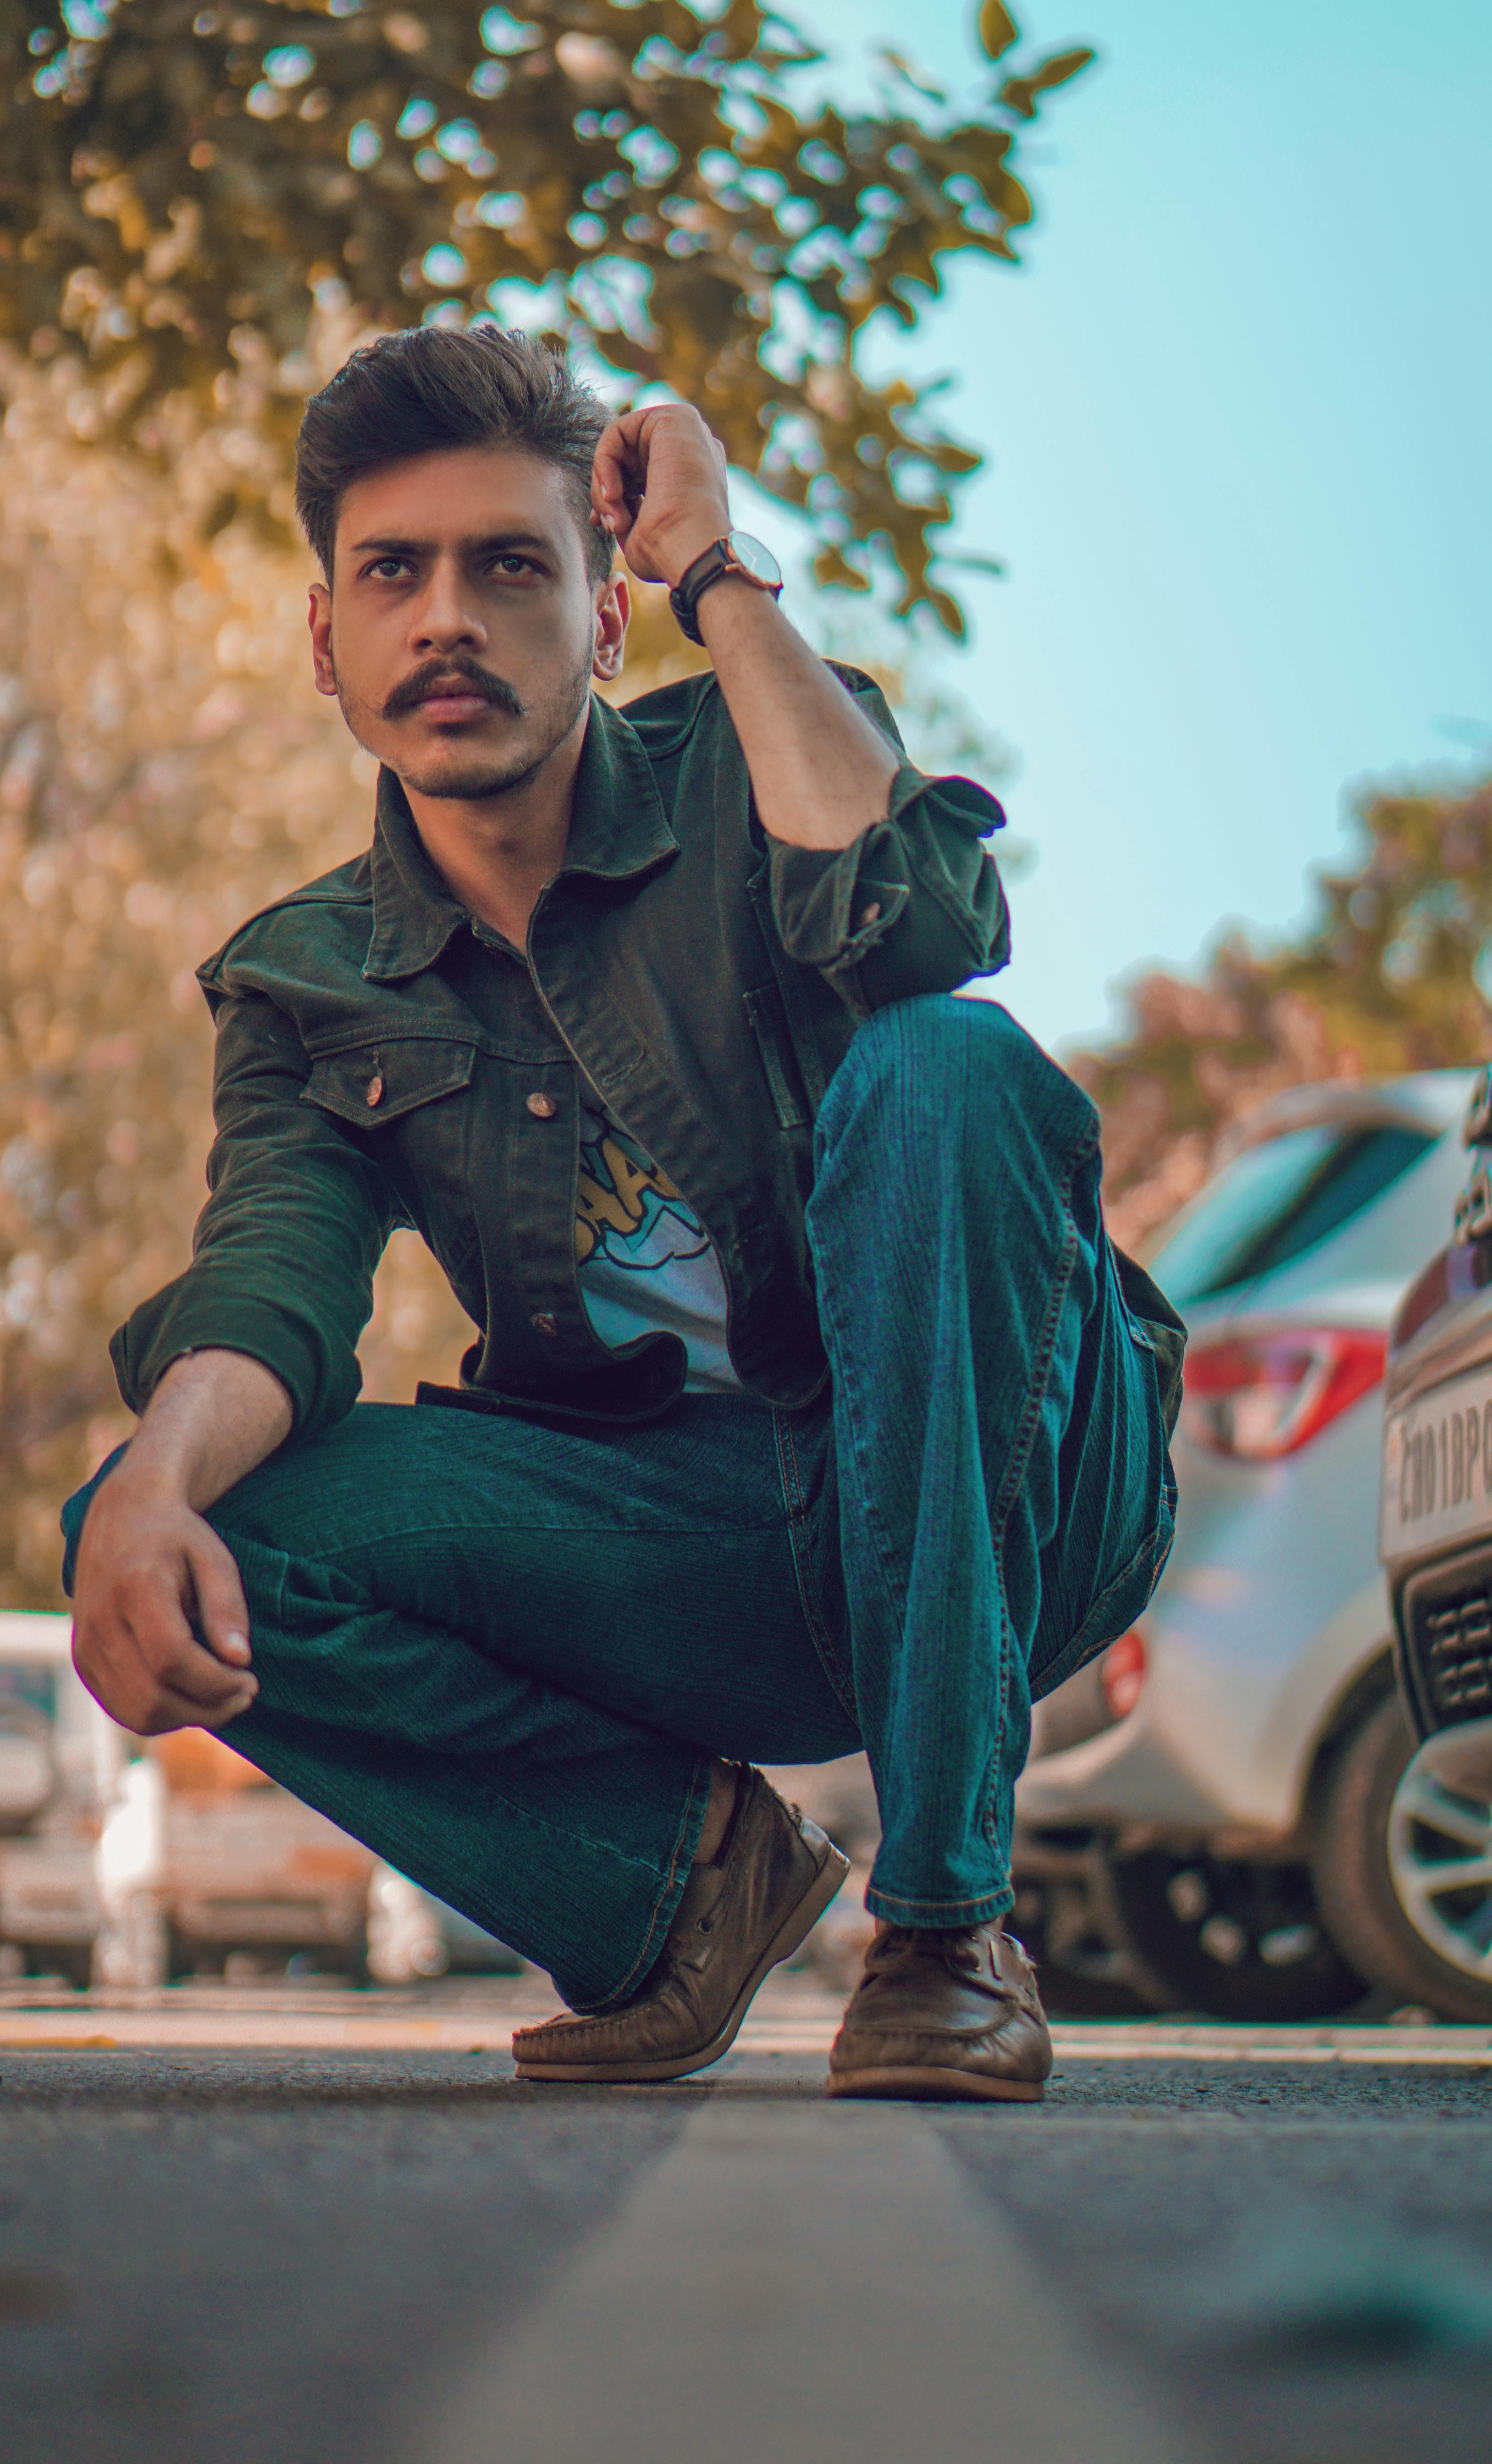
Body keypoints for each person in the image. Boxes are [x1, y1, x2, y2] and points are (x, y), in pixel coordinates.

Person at [64, 325, 1183, 2101]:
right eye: (395, 575)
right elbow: (271, 1284)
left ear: (602, 615)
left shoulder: (765, 755)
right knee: (185, 1507)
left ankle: (952, 1924)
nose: (448, 618)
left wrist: (721, 576)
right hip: (704, 1545)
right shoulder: (309, 985)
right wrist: (144, 1486)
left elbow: (924, 925)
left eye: (513, 567)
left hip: (1019, 1484)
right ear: (327, 638)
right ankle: (679, 1888)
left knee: (945, 1069)